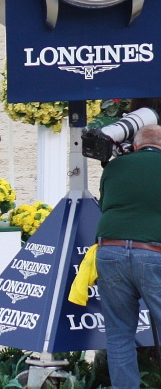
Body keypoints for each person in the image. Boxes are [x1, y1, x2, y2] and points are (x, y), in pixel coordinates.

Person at [95, 123, 161, 389]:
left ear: (135, 144)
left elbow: (105, 205)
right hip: (153, 253)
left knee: (119, 334)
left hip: (109, 250)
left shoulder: (113, 167)